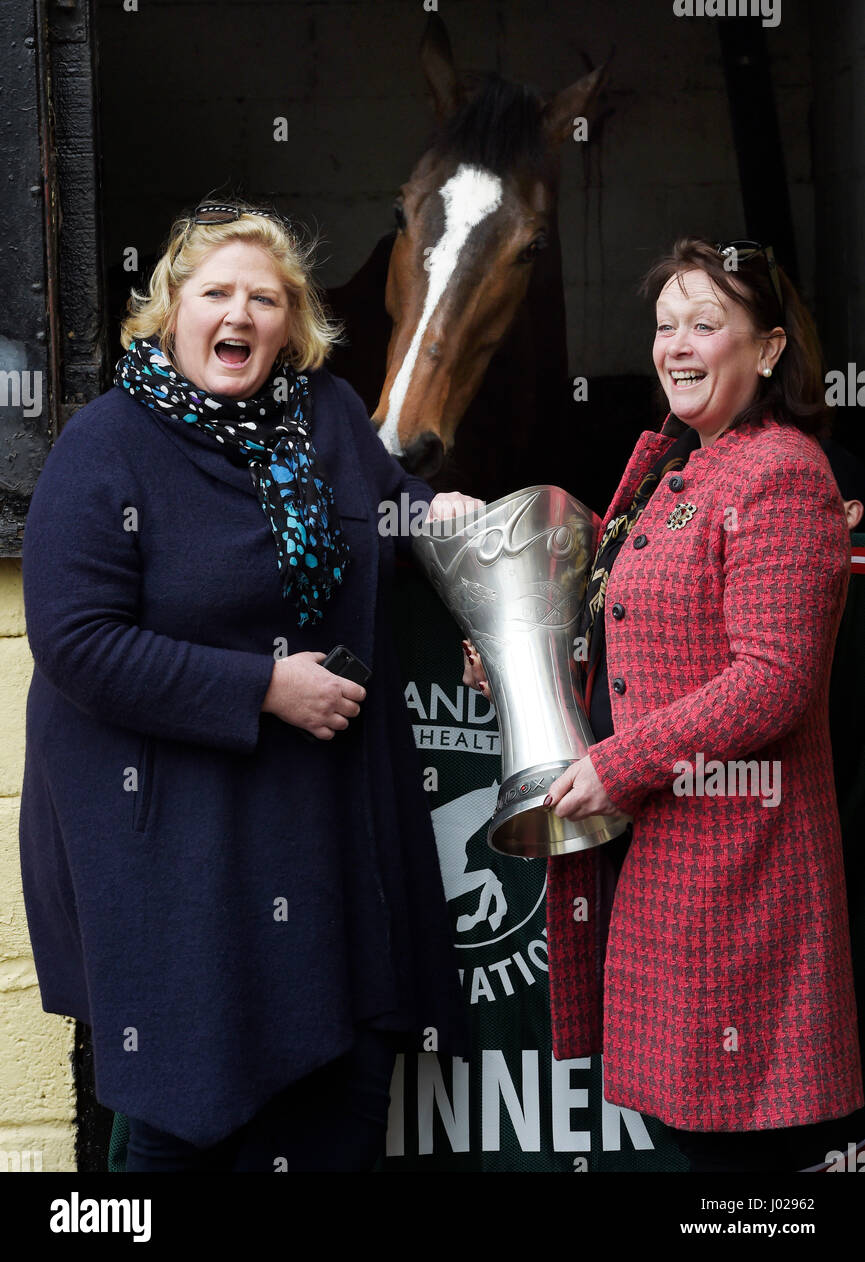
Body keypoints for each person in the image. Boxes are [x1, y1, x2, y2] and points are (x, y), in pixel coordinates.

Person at [19, 197, 479, 1173]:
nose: (241, 313)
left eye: (265, 297)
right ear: (170, 309)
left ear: (293, 321)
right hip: (179, 860)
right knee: (187, 1115)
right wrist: (261, 688)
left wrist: (489, 556)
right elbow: (75, 641)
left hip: (319, 846)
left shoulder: (330, 417)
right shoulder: (105, 444)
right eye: (215, 291)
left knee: (335, 1097)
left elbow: (406, 518)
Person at [464, 237, 863, 1172]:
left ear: (765, 350)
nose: (677, 346)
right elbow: (627, 635)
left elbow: (771, 680)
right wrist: (531, 665)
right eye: (664, 325)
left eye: (704, 324)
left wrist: (614, 764)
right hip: (664, 867)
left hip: (742, 871)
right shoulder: (671, 466)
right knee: (699, 1142)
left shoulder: (782, 474)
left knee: (746, 1158)